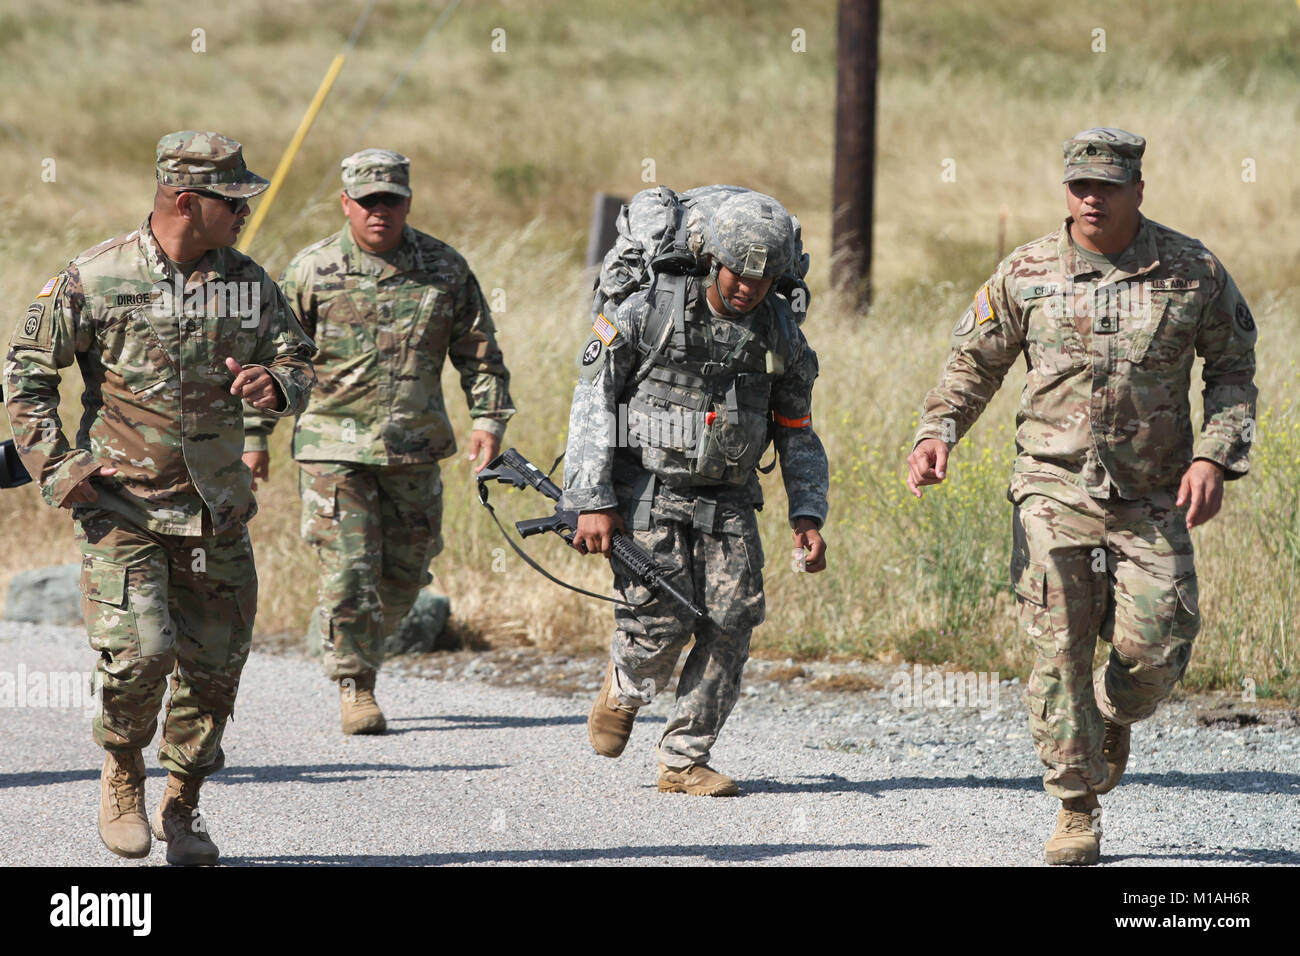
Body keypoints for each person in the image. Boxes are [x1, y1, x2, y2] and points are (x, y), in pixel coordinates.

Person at [906, 128, 1257, 864]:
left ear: (1137, 188)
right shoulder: (1027, 270)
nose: (1091, 198)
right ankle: (1074, 805)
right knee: (1057, 646)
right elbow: (975, 361)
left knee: (1158, 646)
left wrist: (1213, 460)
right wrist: (937, 431)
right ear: (1066, 190)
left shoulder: (1191, 270)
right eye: (1079, 186)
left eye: (1106, 185)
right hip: (1052, 485)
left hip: (1153, 491)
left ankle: (1115, 712)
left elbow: (1232, 374)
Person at [3, 131, 317, 865]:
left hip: (216, 513)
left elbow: (299, 357)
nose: (244, 212)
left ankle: (185, 803)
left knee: (215, 668)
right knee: (140, 655)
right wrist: (57, 465)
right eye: (231, 200)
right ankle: (121, 773)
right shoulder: (96, 276)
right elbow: (26, 373)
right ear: (186, 201)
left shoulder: (247, 281)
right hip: (122, 507)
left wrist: (277, 384)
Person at [564, 189, 829, 796]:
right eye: (740, 274)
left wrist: (807, 513)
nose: (749, 289)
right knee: (659, 624)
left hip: (730, 499)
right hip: (647, 492)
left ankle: (683, 759)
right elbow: (593, 401)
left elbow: (797, 428)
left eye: (765, 280)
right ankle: (627, 686)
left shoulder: (780, 334)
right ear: (713, 260)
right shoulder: (643, 313)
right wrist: (592, 500)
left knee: (733, 621)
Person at [243, 149, 515, 735]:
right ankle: (356, 683)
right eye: (367, 201)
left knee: (407, 574)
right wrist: (254, 436)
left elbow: (480, 353)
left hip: (414, 446)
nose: (378, 212)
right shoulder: (310, 270)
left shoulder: (444, 268)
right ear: (345, 203)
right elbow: (272, 360)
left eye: (390, 200)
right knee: (348, 571)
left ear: (407, 202)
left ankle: (356, 639)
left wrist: (489, 420)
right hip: (330, 448)